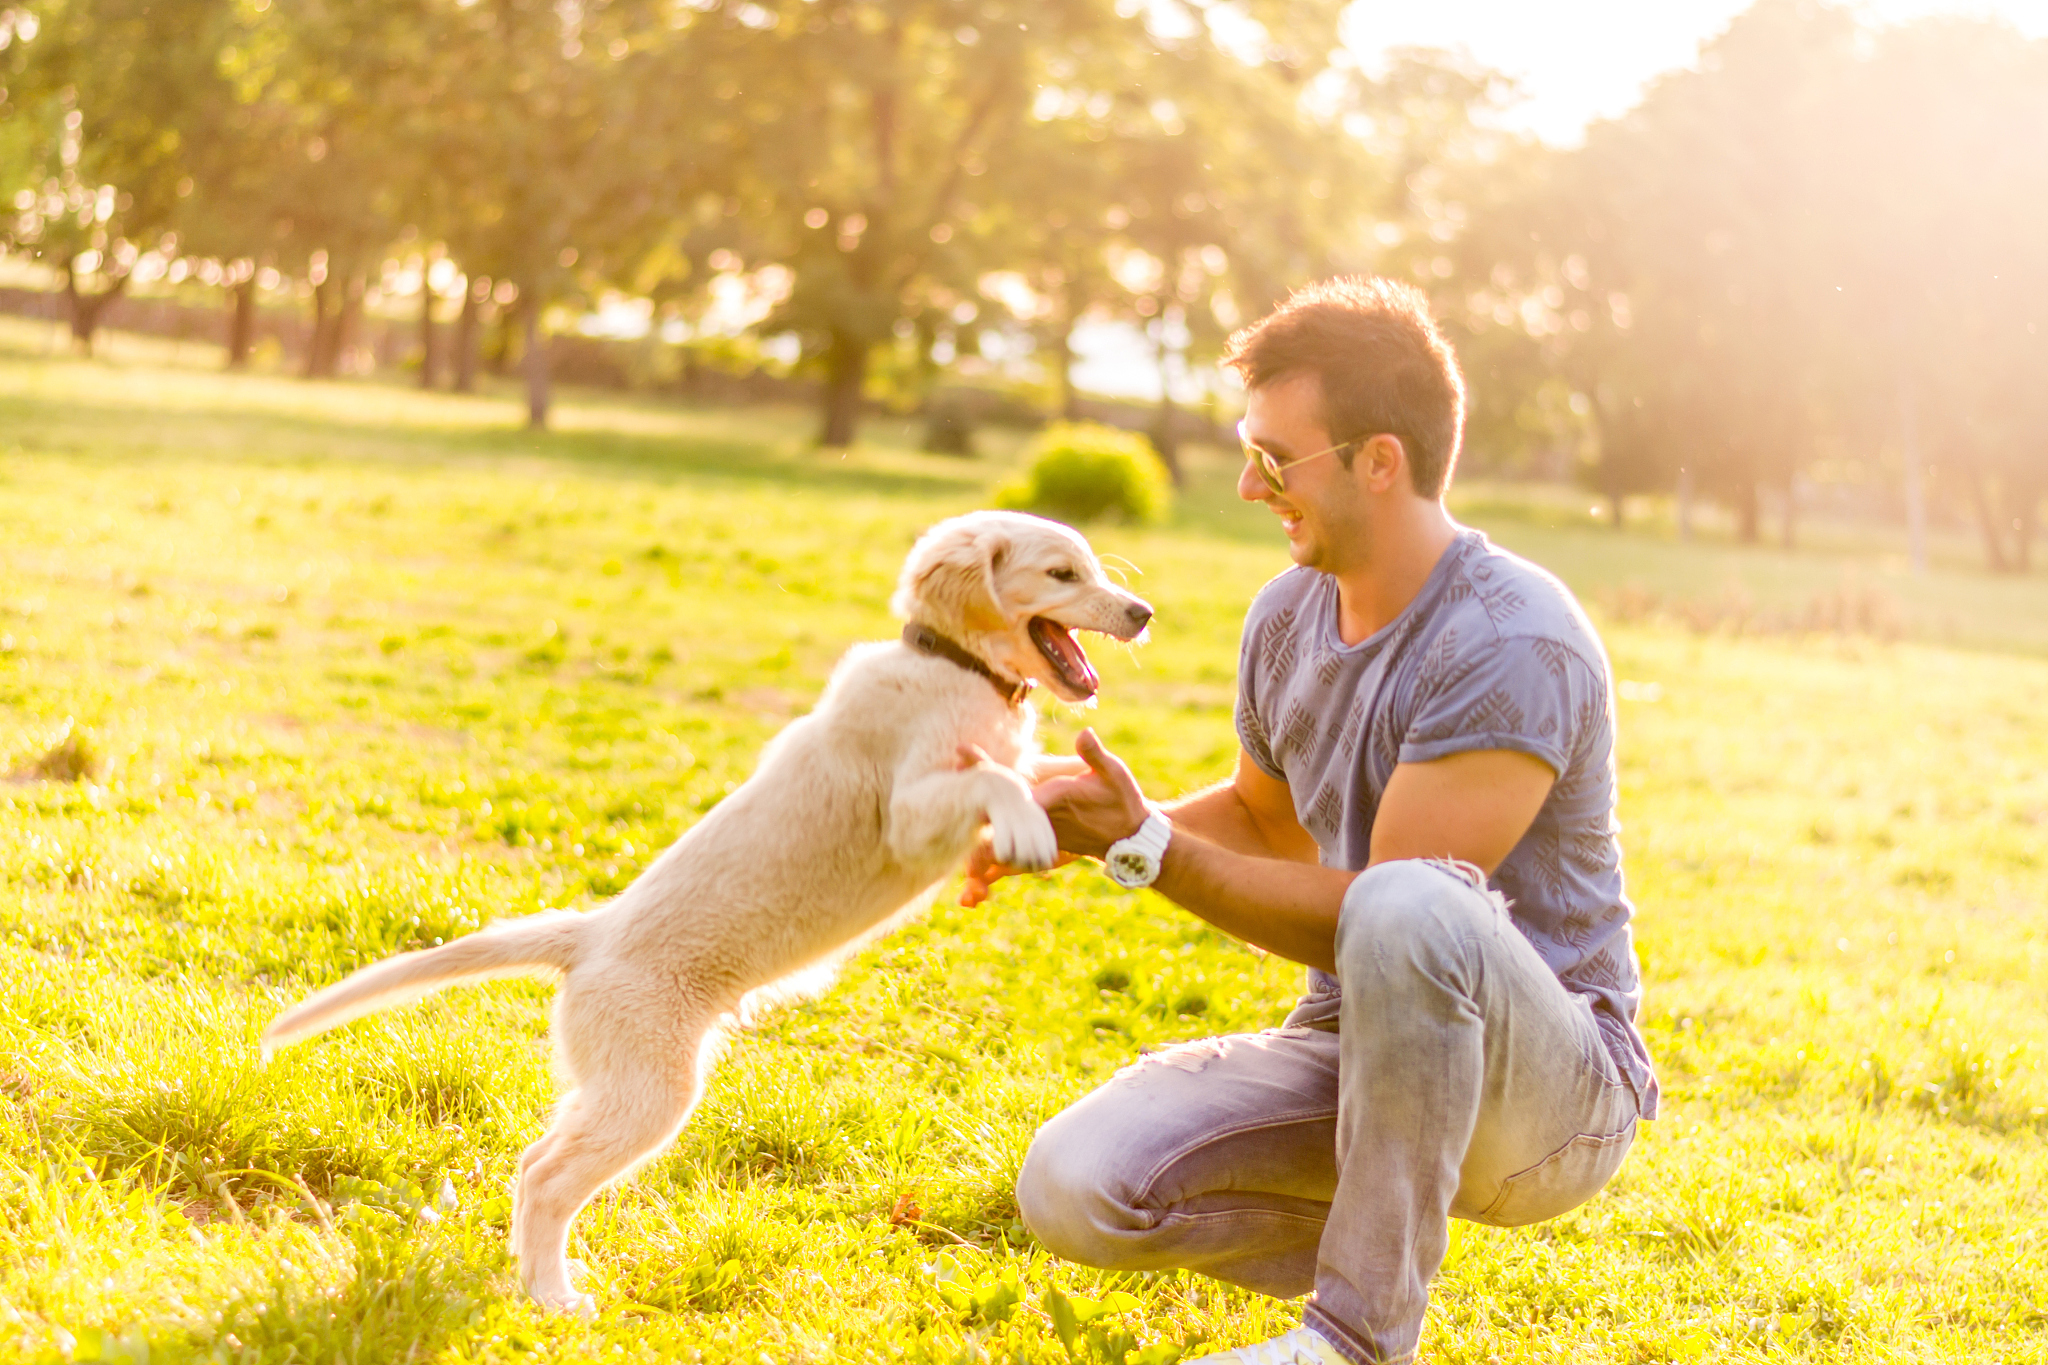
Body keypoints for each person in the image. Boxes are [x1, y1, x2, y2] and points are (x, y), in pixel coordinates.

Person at [963, 277, 1658, 1365]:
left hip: (1551, 1095)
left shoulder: (1510, 638)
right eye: (1248, 451)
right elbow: (1259, 817)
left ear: (1379, 460)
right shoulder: (1286, 614)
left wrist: (1144, 847)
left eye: (1275, 459)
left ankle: (1352, 1341)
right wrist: (1087, 822)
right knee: (1075, 1186)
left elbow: (1387, 918)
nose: (1248, 485)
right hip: (1355, 1053)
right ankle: (1392, 1228)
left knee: (1409, 904)